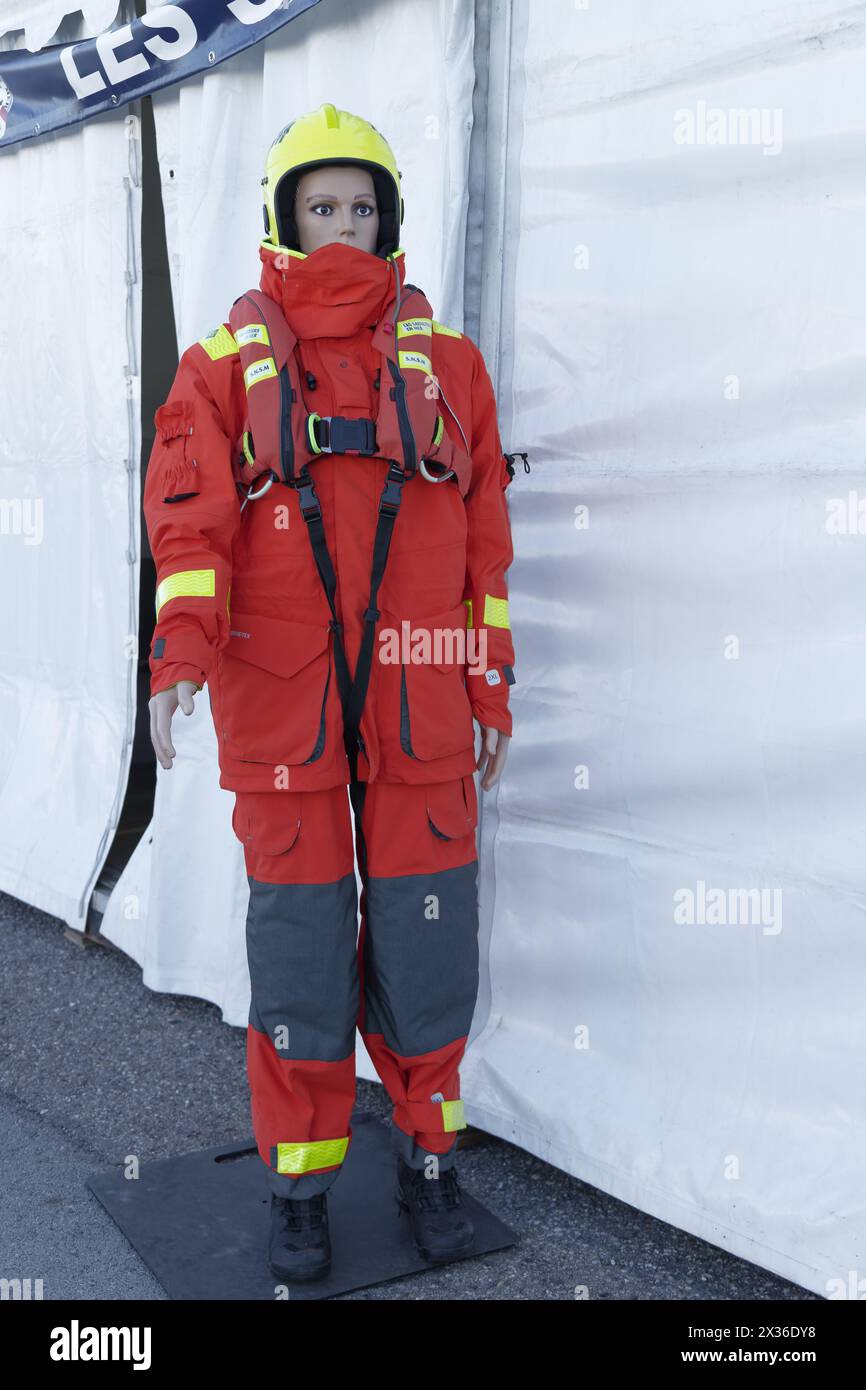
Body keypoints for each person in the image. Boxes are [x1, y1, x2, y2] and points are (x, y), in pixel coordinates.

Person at [144, 103, 517, 1283]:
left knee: (428, 944)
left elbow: (484, 550)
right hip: (285, 707)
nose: (344, 225)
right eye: (322, 205)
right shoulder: (217, 367)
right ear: (281, 216)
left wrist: (489, 686)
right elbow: (187, 528)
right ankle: (299, 1187)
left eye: (362, 206)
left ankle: (428, 1162)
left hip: (419, 706)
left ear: (389, 216)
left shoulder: (449, 366)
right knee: (300, 953)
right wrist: (178, 665)